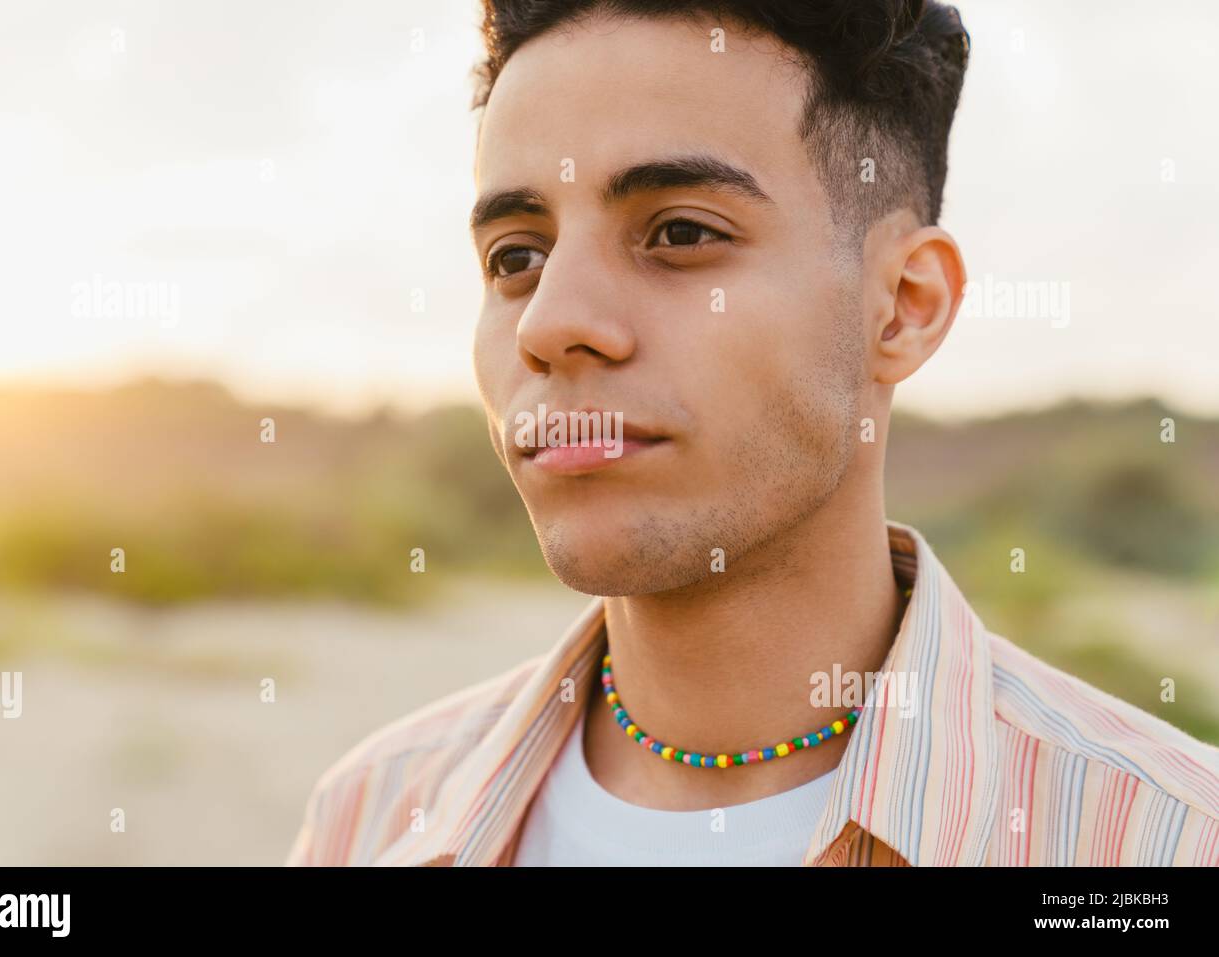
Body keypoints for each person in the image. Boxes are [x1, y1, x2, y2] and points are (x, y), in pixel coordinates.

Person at [287, 0, 1219, 866]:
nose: (547, 323)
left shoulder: (1155, 842)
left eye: (681, 233)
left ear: (901, 307)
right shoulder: (371, 814)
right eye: (517, 257)